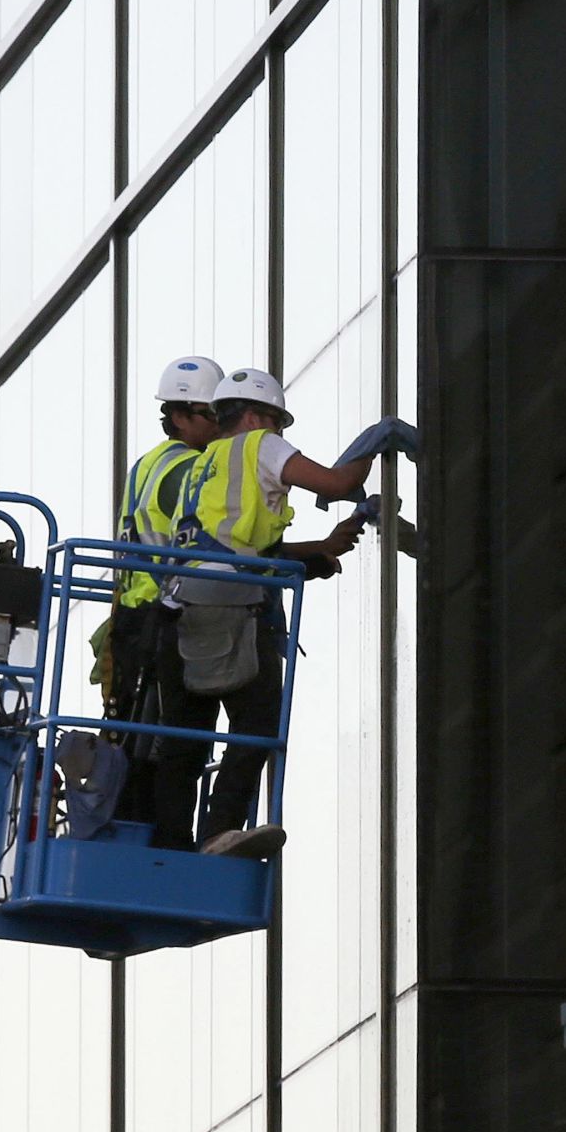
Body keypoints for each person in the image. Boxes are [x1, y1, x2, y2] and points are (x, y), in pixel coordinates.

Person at [153, 367, 379, 859]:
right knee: (257, 724)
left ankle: (166, 847)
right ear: (256, 416)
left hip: (177, 608)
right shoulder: (260, 445)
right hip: (229, 603)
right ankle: (219, 832)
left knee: (183, 738)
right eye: (277, 423)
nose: (281, 435)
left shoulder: (198, 466)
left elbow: (233, 542)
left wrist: (319, 548)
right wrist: (383, 437)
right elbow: (338, 482)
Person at [105, 356, 224, 820]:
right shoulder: (188, 470)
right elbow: (213, 539)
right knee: (174, 741)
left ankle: (135, 825)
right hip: (163, 618)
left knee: (139, 739)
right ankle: (162, 836)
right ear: (179, 416)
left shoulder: (147, 465)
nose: (219, 426)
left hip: (135, 618)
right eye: (210, 415)